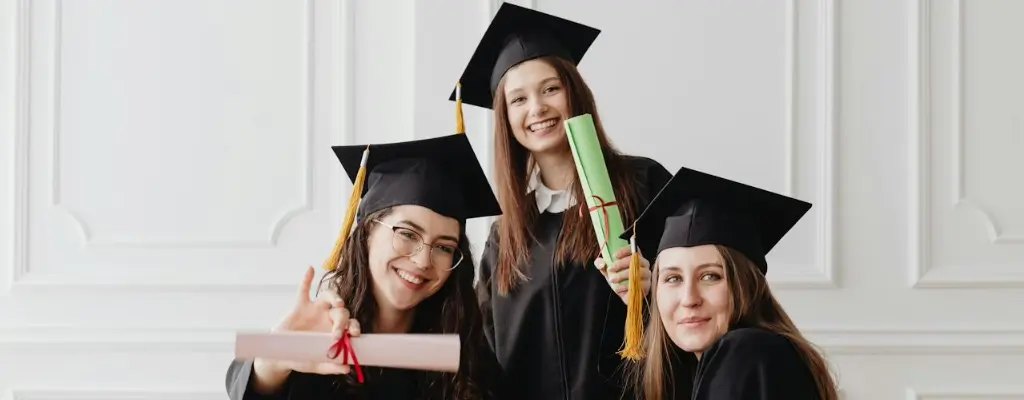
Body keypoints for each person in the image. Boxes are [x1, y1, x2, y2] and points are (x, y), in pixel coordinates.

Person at [450, 3, 673, 399]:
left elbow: (698, 302)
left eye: (550, 88)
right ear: (505, 118)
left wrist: (655, 287)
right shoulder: (505, 236)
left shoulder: (642, 185)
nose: (537, 108)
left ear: (575, 93)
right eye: (518, 99)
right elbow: (484, 351)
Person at [224, 133, 503, 399]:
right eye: (406, 234)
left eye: (444, 247)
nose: (422, 260)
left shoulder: (468, 354)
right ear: (367, 232)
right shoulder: (319, 337)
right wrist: (275, 358)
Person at [623, 166, 840, 400]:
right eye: (673, 278)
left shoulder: (745, 352)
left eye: (710, 276)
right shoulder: (760, 357)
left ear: (746, 285)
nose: (689, 299)